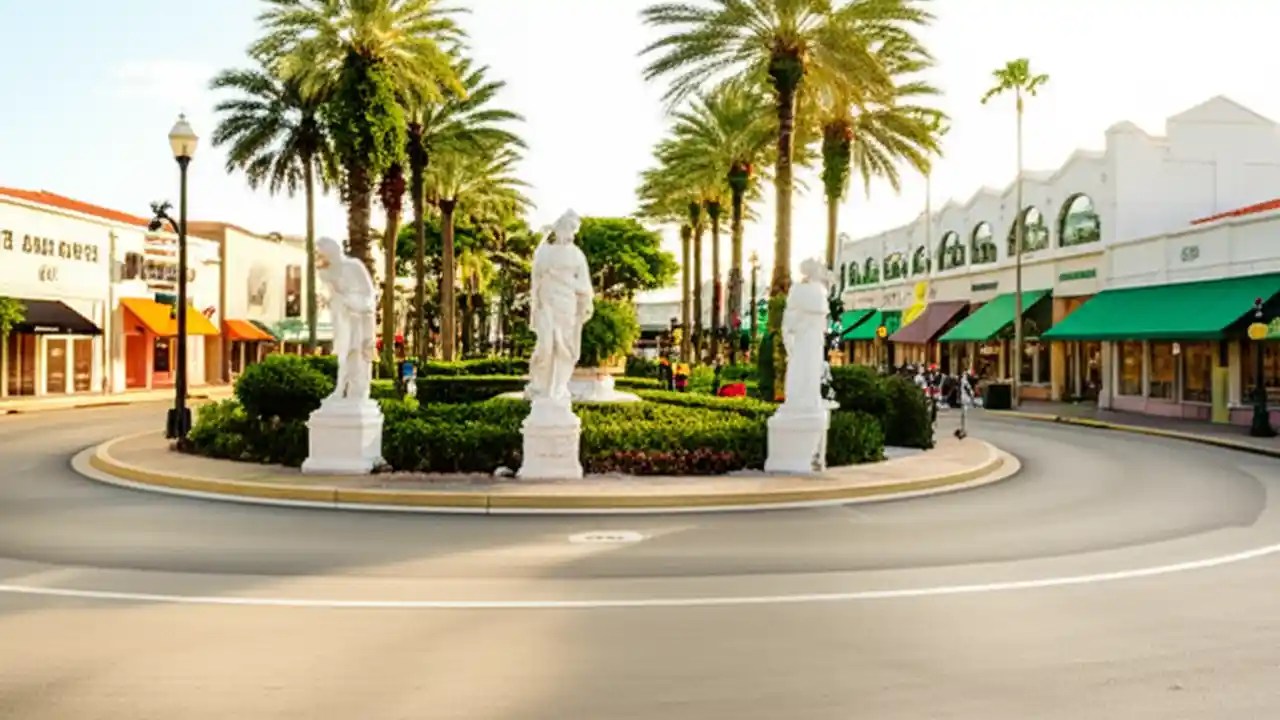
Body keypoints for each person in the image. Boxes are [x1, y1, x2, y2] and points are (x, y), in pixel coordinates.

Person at [526, 210, 594, 404]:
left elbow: (585, 284)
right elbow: (536, 278)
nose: (571, 233)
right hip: (547, 306)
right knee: (546, 346)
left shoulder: (577, 254)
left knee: (565, 348)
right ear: (560, 228)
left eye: (574, 229)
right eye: (569, 228)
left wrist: (584, 300)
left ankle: (559, 387)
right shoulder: (545, 251)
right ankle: (540, 386)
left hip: (567, 307)